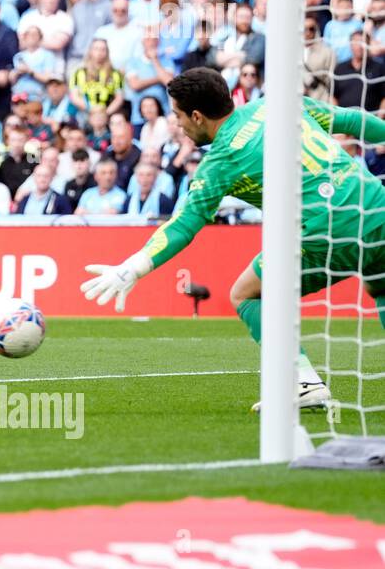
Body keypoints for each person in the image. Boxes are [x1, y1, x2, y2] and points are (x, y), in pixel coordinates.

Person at [81, 68, 385, 410]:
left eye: (179, 115)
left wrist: (133, 267)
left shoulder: (220, 161)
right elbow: (351, 120)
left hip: (329, 228)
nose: (178, 124)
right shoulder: (277, 104)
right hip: (375, 203)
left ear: (197, 116)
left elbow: (183, 225)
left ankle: (300, 382)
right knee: (381, 284)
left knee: (245, 293)